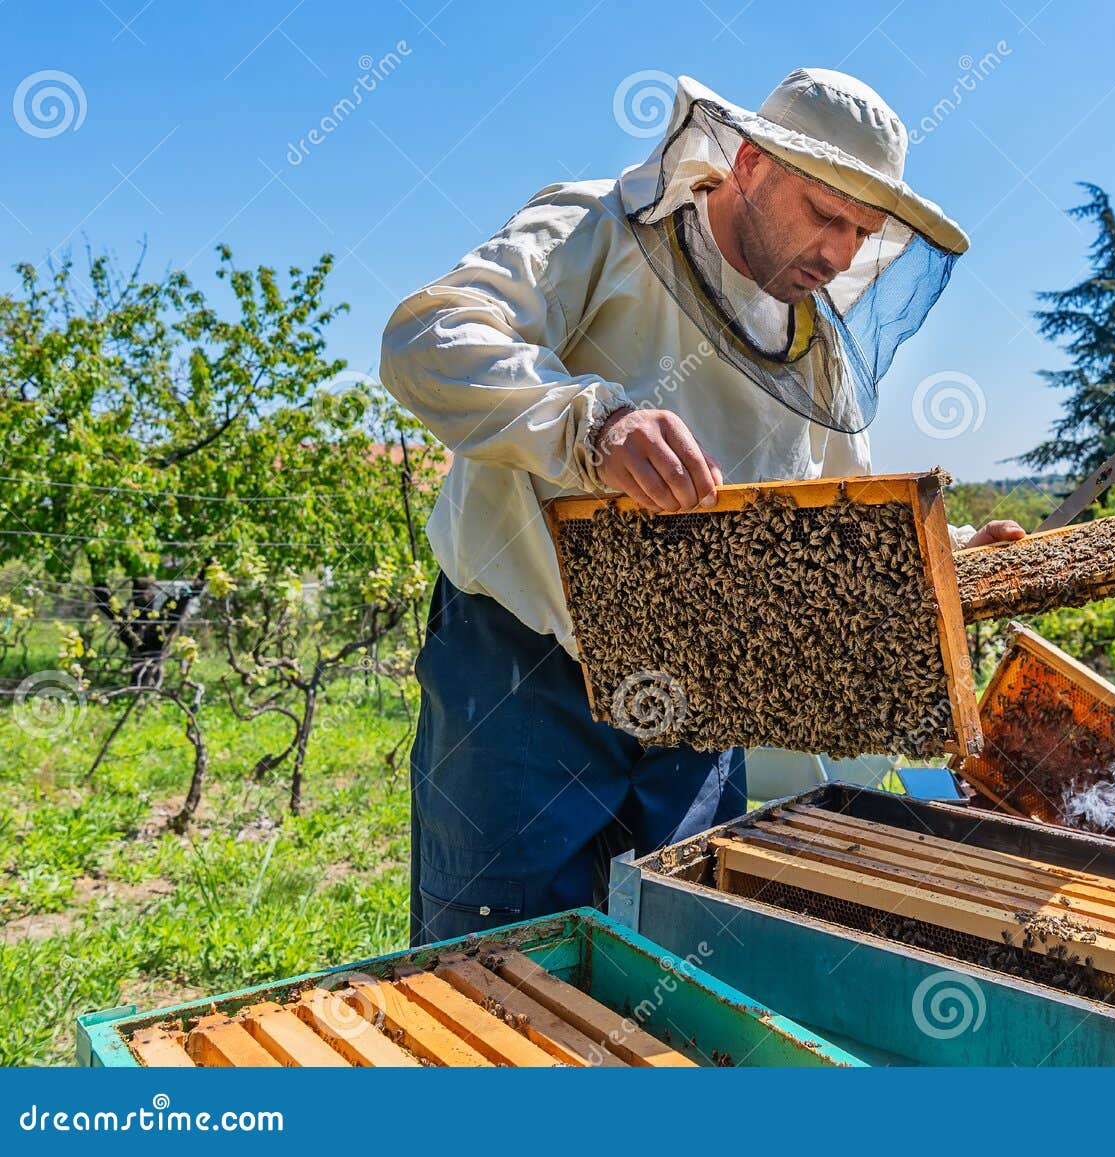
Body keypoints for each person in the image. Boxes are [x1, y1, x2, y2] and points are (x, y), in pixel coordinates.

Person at [380, 67, 1024, 946]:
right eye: (824, 214)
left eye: (862, 233)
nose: (839, 253)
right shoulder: (599, 226)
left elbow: (839, 536)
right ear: (750, 164)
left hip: (701, 711)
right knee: (498, 973)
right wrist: (593, 423)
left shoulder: (816, 354)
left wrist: (936, 572)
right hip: (524, 681)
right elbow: (428, 338)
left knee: (676, 974)